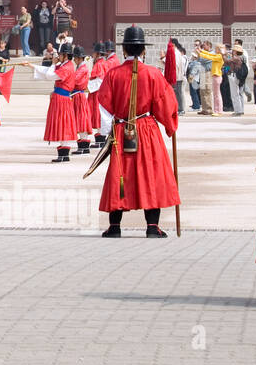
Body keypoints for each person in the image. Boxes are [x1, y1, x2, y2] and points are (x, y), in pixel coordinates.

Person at [96, 26, 180, 238]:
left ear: (124, 50)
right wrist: (170, 125)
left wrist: (110, 130)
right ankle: (152, 226)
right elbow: (166, 105)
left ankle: (115, 227)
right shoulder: (153, 74)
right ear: (143, 50)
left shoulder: (112, 74)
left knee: (119, 175)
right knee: (149, 174)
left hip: (122, 128)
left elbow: (104, 105)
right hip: (146, 129)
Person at [30, 45, 79, 161]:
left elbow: (50, 75)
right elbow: (47, 72)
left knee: (63, 122)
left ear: (65, 56)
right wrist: (31, 66)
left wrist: (53, 64)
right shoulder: (64, 65)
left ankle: (64, 153)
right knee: (62, 122)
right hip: (60, 97)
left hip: (62, 98)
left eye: (61, 55)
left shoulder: (66, 67)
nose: (59, 57)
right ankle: (63, 153)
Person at [196, 41, 225, 116]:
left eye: (216, 49)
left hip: (217, 76)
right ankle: (217, 110)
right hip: (215, 76)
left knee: (216, 95)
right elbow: (209, 54)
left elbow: (209, 56)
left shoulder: (219, 56)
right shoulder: (217, 55)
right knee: (216, 94)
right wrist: (201, 51)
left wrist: (200, 53)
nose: (215, 50)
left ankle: (218, 111)